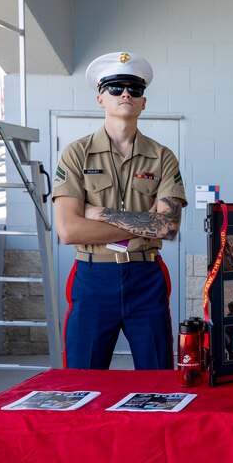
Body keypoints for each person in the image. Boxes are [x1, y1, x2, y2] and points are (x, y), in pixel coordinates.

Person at [53, 51, 186, 370]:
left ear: (143, 102)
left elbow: (168, 228)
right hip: (93, 276)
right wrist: (146, 222)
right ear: (100, 99)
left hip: (146, 276)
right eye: (115, 87)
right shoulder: (76, 155)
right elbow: (69, 230)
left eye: (134, 89)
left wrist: (98, 214)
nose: (125, 94)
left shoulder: (162, 157)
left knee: (158, 379)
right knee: (82, 377)